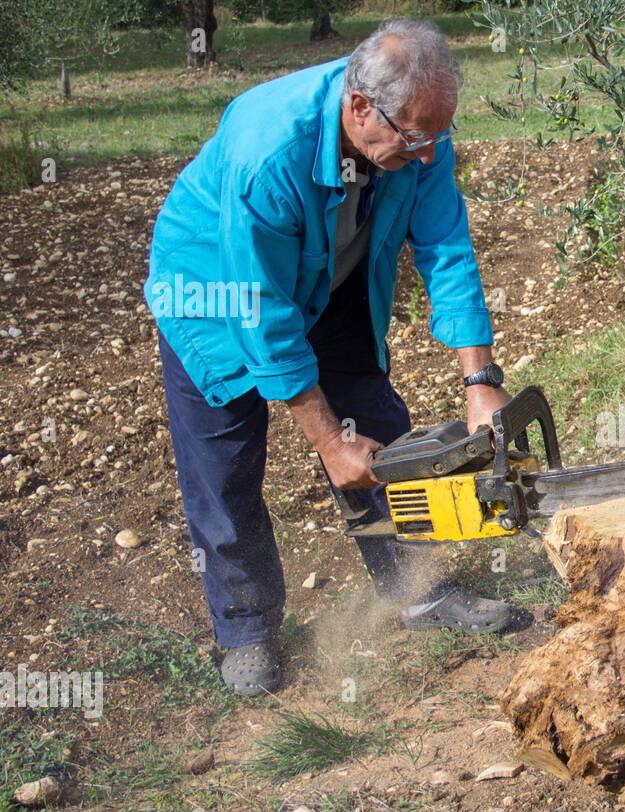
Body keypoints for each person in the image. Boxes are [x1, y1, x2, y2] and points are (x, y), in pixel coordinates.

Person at [144, 19, 514, 697]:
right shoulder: (269, 150)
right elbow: (260, 311)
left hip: (330, 278)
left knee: (377, 424)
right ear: (358, 108)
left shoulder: (419, 134)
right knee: (224, 466)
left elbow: (447, 249)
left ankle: (417, 592)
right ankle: (246, 628)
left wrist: (480, 380)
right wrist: (327, 442)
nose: (429, 154)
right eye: (414, 138)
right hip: (214, 290)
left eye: (438, 135)